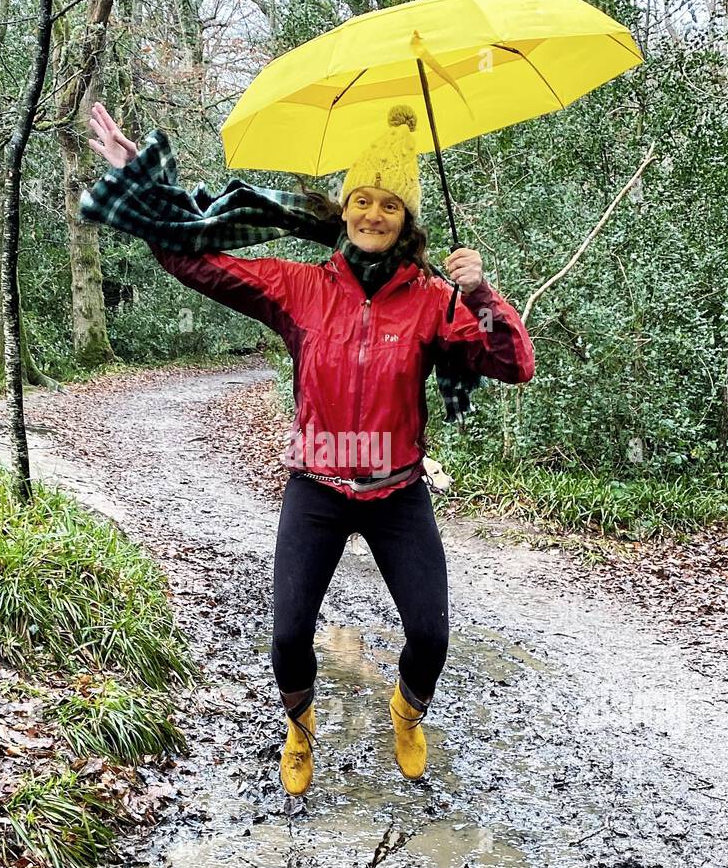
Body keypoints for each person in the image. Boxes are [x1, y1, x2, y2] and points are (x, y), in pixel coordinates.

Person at [83, 101, 535, 795]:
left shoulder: (436, 300)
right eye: (361, 200)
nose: (372, 214)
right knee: (290, 637)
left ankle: (406, 716)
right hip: (317, 488)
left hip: (396, 492)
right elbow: (197, 263)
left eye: (388, 204)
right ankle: (301, 727)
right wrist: (141, 184)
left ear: (407, 220)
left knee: (432, 636)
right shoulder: (303, 288)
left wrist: (482, 294)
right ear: (346, 209)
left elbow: (513, 364)